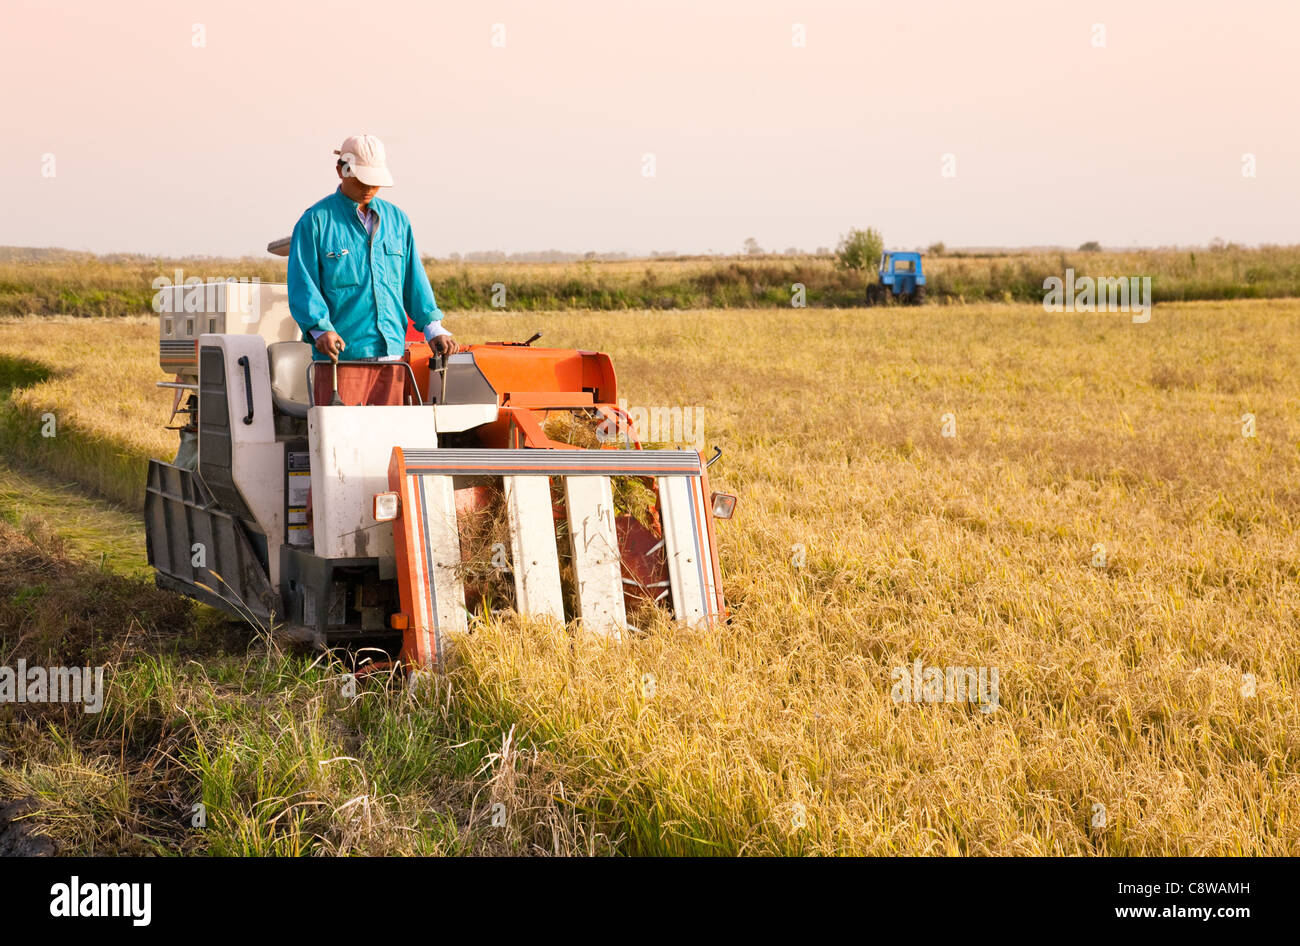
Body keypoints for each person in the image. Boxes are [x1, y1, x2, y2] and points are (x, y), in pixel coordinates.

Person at [287, 133, 458, 408]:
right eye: (362, 179)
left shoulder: (397, 220)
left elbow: (413, 280)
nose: (369, 188)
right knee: (340, 443)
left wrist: (433, 328)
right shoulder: (315, 221)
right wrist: (321, 331)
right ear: (341, 170)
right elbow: (302, 283)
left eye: (374, 181)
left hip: (392, 360)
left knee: (387, 441)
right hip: (342, 361)